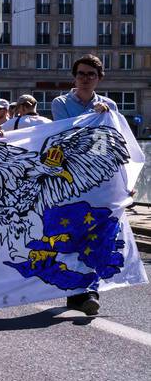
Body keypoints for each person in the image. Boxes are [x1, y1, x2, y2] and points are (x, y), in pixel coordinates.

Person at [51, 55, 119, 316]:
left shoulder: (110, 105)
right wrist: (94, 114)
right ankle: (78, 290)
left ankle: (88, 290)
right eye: (81, 73)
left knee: (99, 234)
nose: (85, 78)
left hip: (101, 180)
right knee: (75, 233)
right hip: (73, 180)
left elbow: (115, 141)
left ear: (99, 78)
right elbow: (68, 134)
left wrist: (124, 179)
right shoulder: (61, 103)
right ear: (74, 76)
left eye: (91, 74)